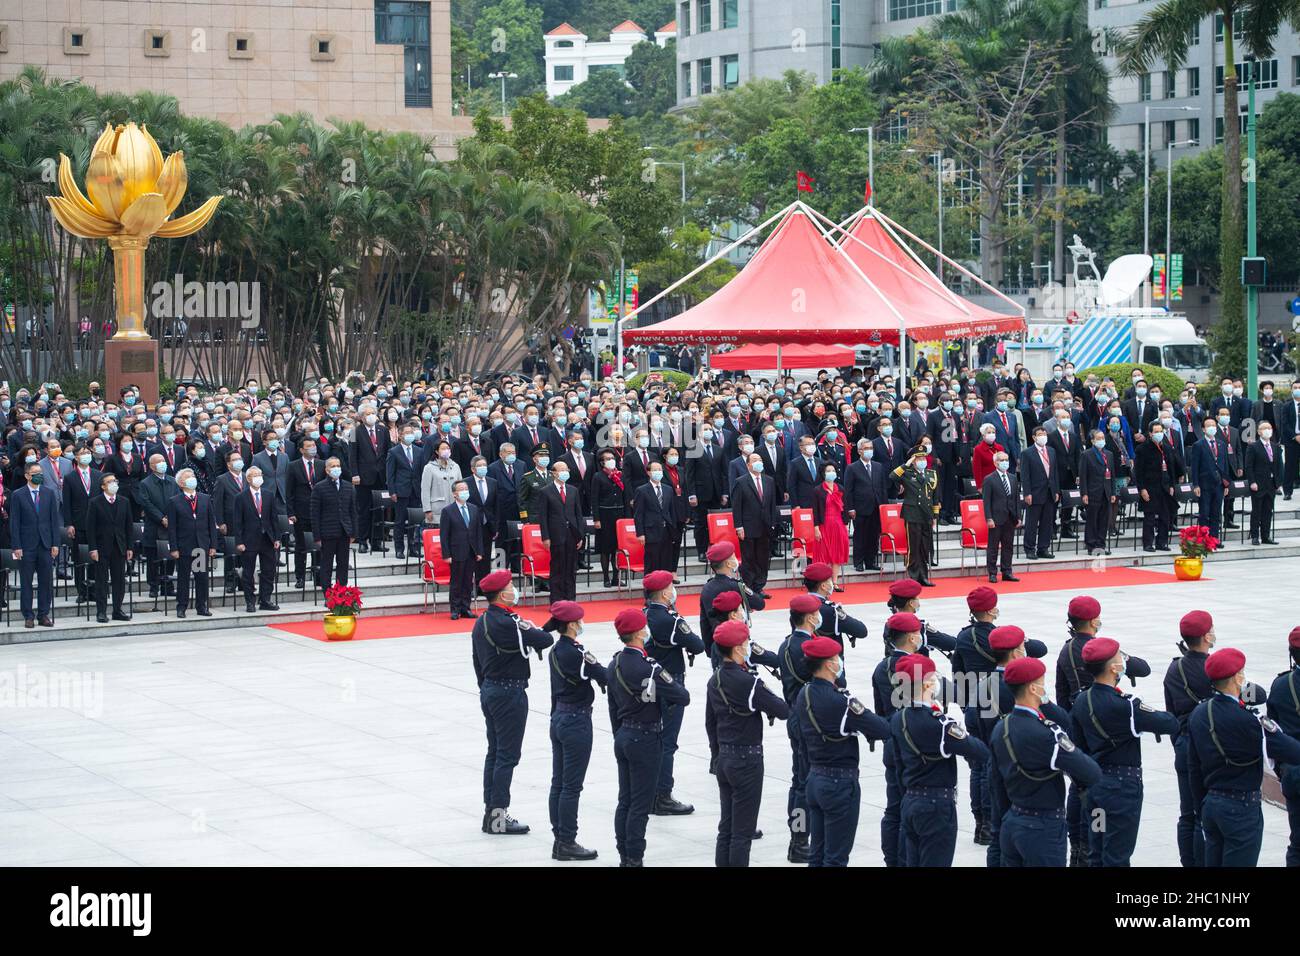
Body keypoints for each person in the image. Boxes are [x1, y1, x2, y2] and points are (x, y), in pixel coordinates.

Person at [1070, 637, 1179, 867]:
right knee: (1117, 855)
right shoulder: (1125, 705)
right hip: (1120, 790)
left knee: (1097, 850)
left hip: (1095, 788)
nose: (1123, 660)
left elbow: (1078, 747)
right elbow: (1169, 723)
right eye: (1120, 657)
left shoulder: (1081, 699)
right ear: (1113, 667)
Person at [1188, 648, 1300, 867]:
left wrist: (1200, 807)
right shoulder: (1250, 721)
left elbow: (1194, 766)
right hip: (1240, 808)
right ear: (1238, 678)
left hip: (1211, 804)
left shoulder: (1200, 713)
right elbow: (1292, 751)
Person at [988, 657, 1102, 867]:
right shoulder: (1047, 733)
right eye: (1041, 683)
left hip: (1013, 820)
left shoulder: (1000, 728)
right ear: (1033, 688)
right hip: (1043, 826)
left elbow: (996, 783)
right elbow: (1090, 772)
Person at [797, 635, 892, 867]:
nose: (839, 661)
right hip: (839, 783)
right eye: (837, 658)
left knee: (817, 853)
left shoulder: (805, 693)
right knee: (836, 857)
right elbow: (882, 729)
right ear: (829, 664)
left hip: (815, 778)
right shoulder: (841, 701)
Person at [471, 570, 554, 836]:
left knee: (494, 753)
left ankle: (490, 814)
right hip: (509, 692)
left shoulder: (481, 622)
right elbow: (544, 640)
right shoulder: (512, 622)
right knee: (507, 756)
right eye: (510, 586)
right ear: (502, 594)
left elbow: (477, 662)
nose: (513, 589)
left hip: (489, 690)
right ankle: (498, 818)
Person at [891, 653, 989, 866]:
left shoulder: (899, 718)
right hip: (936, 805)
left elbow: (898, 765)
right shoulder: (940, 724)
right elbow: (979, 752)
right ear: (927, 685)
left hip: (910, 800)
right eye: (934, 678)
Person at [607, 607, 687, 867]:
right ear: (640, 632)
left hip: (624, 734)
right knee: (640, 805)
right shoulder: (649, 667)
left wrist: (620, 732)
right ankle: (634, 858)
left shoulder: (615, 662)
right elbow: (681, 696)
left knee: (625, 801)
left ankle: (624, 854)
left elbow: (612, 707)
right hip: (646, 737)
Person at [706, 618, 789, 867]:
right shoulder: (749, 682)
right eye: (746, 644)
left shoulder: (716, 679)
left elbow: (710, 722)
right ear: (738, 649)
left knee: (727, 828)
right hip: (747, 759)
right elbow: (782, 710)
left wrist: (716, 754)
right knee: (742, 833)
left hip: (725, 757)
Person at [542, 600, 606, 862]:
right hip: (576, 720)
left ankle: (560, 838)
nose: (582, 624)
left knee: (558, 783)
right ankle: (567, 840)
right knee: (571, 786)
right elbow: (603, 676)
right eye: (579, 621)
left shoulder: (556, 650)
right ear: (571, 625)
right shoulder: (577, 653)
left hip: (559, 716)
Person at [642, 569, 704, 816]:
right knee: (667, 741)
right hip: (670, 681)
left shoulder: (645, 614)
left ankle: (649, 792)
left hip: (649, 680)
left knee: (652, 737)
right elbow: (697, 645)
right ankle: (663, 795)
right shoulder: (671, 619)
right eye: (671, 587)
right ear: (665, 592)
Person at [776, 593, 831, 864]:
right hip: (809, 717)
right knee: (804, 781)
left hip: (795, 714)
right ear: (810, 618)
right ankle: (799, 840)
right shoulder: (810, 648)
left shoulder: (787, 644)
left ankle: (798, 838)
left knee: (799, 779)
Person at [9, 461, 61, 628]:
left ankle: (43, 614)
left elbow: (54, 520)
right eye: (35, 473)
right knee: (26, 582)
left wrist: (55, 543)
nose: (39, 475)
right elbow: (14, 522)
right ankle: (28, 615)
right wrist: (16, 546)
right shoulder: (18, 495)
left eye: (40, 472)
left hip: (45, 544)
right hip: (26, 544)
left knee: (46, 581)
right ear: (27, 476)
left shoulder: (48, 493)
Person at [1266, 626, 1300, 867]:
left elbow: (1272, 733)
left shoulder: (1280, 685)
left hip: (1294, 772)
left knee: (1297, 841)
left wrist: (1282, 770)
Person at [166, 468, 217, 618]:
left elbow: (211, 523)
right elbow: (172, 528)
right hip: (184, 547)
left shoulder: (204, 498)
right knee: (183, 578)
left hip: (201, 546)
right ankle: (181, 606)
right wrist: (174, 547)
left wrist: (213, 545)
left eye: (193, 476)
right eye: (188, 477)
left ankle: (202, 606)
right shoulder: (174, 501)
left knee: (201, 577)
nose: (192, 479)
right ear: (181, 483)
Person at [232, 465, 281, 613]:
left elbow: (274, 518)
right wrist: (239, 541)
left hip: (267, 538)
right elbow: (237, 522)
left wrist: (277, 537)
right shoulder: (240, 497)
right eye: (255, 475)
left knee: (269, 570)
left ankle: (265, 599)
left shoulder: (268, 494)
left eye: (260, 474)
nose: (258, 477)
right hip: (249, 540)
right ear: (248, 479)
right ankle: (250, 601)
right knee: (248, 572)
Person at [86, 471, 133, 623]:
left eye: (115, 481)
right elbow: (90, 528)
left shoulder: (124, 501)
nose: (114, 484)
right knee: (101, 580)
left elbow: (128, 527)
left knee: (119, 580)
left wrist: (130, 547)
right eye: (109, 482)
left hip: (119, 547)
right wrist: (92, 548)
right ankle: (101, 611)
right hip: (101, 547)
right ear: (102, 486)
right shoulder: (95, 502)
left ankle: (117, 610)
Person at [730, 452, 777, 598]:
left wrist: (773, 523)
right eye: (755, 460)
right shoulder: (741, 481)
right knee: (749, 558)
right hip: (748, 526)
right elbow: (736, 506)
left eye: (760, 459)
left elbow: (772, 504)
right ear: (748, 464)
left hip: (765, 526)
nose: (759, 462)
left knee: (763, 558)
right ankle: (748, 587)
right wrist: (739, 526)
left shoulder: (769, 480)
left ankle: (759, 586)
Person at [60, 445, 101, 604]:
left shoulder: (98, 475)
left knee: (94, 557)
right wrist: (69, 524)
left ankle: (93, 589)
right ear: (76, 457)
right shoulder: (70, 477)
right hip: (78, 523)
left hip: (96, 523)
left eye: (87, 452)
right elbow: (67, 503)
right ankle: (81, 591)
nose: (86, 455)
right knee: (79, 559)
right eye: (82, 453)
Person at [537, 458, 582, 602]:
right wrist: (545, 537)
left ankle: (571, 598)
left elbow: (578, 514)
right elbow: (542, 516)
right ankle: (557, 599)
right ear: (554, 473)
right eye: (561, 470)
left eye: (566, 470)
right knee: (557, 568)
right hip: (555, 535)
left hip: (572, 534)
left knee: (571, 568)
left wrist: (580, 536)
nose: (564, 473)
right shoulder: (545, 491)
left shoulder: (573, 490)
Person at [892, 446, 938, 586]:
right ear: (913, 460)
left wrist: (935, 516)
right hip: (912, 514)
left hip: (927, 514)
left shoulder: (931, 474)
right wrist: (906, 464)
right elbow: (892, 476)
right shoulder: (907, 473)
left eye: (924, 458)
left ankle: (923, 576)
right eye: (918, 458)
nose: (922, 461)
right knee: (914, 546)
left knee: (925, 547)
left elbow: (935, 497)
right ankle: (913, 576)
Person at [439, 479, 484, 619]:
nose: (465, 491)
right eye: (461, 489)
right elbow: (444, 535)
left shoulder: (473, 509)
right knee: (456, 582)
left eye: (466, 489)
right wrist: (446, 554)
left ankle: (466, 608)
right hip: (456, 551)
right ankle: (455, 609)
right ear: (454, 494)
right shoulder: (448, 511)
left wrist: (479, 551)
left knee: (467, 581)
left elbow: (478, 532)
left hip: (471, 551)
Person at [349, 404, 390, 553]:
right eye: (367, 414)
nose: (371, 416)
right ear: (361, 417)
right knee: (364, 510)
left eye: (373, 413)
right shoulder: (354, 431)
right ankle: (363, 540)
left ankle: (377, 541)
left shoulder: (383, 430)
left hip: (381, 476)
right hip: (363, 477)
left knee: (379, 509)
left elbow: (388, 452)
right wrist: (355, 474)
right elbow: (352, 455)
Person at [136, 453, 178, 601]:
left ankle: (167, 585)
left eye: (163, 460)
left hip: (170, 526)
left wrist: (171, 518)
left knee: (170, 556)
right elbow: (146, 504)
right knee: (153, 558)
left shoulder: (173, 481)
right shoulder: (145, 483)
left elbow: (177, 501)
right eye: (158, 462)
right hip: (154, 526)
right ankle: (153, 586)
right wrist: (161, 518)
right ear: (152, 466)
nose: (162, 463)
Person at [1135, 420, 1181, 552]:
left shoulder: (1166, 448)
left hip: (1165, 487)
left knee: (1165, 516)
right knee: (1149, 517)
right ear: (1150, 434)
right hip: (1150, 487)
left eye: (1161, 431)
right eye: (1156, 432)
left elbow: (1171, 468)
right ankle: (1148, 543)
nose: (1159, 434)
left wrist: (1172, 485)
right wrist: (1142, 489)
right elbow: (1139, 472)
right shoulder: (1142, 449)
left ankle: (1162, 542)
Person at [310, 457, 355, 591]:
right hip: (327, 533)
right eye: (333, 466)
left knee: (343, 564)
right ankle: (327, 593)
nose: (336, 468)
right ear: (327, 470)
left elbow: (353, 512)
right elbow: (315, 514)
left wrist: (353, 533)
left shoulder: (348, 486)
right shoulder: (319, 488)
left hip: (344, 532)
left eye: (338, 465)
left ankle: (341, 591)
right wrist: (317, 536)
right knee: (327, 565)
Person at [286, 438, 325, 589]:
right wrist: (290, 512)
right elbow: (288, 491)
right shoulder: (293, 466)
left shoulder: (321, 464)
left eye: (313, 445)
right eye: (308, 446)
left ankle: (318, 576)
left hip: (319, 512)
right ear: (302, 450)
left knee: (319, 545)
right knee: (301, 547)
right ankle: (300, 577)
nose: (312, 448)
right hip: (300, 512)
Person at [843, 438, 886, 571]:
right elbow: (848, 490)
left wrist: (883, 507)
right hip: (860, 508)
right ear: (860, 451)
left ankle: (870, 561)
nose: (869, 451)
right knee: (860, 536)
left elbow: (882, 488)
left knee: (874, 536)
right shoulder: (852, 468)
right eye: (866, 449)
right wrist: (850, 508)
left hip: (876, 507)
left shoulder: (878, 466)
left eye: (871, 448)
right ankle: (859, 562)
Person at [1018, 426, 1059, 560]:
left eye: (1044, 434)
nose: (1043, 436)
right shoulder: (1027, 453)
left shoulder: (1052, 451)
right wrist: (1027, 493)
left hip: (1049, 491)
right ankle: (1030, 548)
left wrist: (1056, 490)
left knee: (1047, 522)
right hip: (1034, 492)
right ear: (1034, 437)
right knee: (1032, 522)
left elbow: (1055, 473)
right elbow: (1025, 475)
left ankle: (1043, 548)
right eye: (1040, 434)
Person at [980, 449, 1020, 583]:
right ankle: (992, 572)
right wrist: (989, 518)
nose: (1005, 462)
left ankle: (1007, 571)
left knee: (1008, 546)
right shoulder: (989, 479)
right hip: (996, 518)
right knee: (993, 546)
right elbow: (987, 501)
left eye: (1006, 460)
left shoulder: (1013, 478)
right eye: (1002, 460)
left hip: (1010, 517)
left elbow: (1016, 499)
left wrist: (1018, 516)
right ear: (996, 463)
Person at [1187, 416, 1230, 539]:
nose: (1212, 428)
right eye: (1209, 426)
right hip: (1204, 484)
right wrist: (1195, 484)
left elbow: (1225, 464)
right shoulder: (1198, 445)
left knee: (1216, 513)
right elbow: (1194, 466)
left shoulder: (1221, 444)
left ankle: (1214, 538)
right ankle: (1204, 538)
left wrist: (1226, 484)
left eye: (1213, 426)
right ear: (1204, 429)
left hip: (1219, 484)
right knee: (1205, 513)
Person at [633, 459, 678, 575]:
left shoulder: (668, 489)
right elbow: (638, 514)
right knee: (652, 563)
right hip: (651, 532)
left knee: (666, 563)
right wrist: (640, 533)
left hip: (667, 531)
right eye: (655, 470)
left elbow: (672, 511)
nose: (658, 472)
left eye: (660, 469)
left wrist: (674, 529)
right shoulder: (641, 490)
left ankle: (664, 588)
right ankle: (650, 590)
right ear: (648, 472)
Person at [386, 423, 423, 560]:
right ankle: (399, 549)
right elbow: (390, 474)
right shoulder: (394, 452)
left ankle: (413, 548)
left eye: (411, 432)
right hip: (401, 491)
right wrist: (392, 491)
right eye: (406, 432)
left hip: (415, 490)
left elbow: (420, 471)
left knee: (414, 521)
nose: (409, 434)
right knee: (400, 521)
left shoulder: (419, 451)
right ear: (400, 435)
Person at [1078, 429, 1116, 556]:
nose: (1101, 440)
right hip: (1093, 491)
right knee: (1092, 519)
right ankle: (1091, 544)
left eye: (1102, 438)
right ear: (1093, 441)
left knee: (1104, 520)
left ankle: (1101, 544)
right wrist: (1084, 493)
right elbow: (1083, 476)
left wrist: (1113, 493)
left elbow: (1112, 475)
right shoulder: (1086, 454)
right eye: (1098, 438)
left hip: (1106, 492)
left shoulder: (1109, 454)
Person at [810, 461, 848, 588]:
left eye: (833, 470)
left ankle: (835, 582)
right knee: (823, 554)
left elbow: (845, 508)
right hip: (823, 524)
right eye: (828, 471)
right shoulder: (817, 490)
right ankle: (823, 582)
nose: (831, 473)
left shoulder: (841, 488)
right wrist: (816, 528)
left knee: (836, 555)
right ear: (823, 473)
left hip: (838, 524)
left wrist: (846, 525)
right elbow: (815, 510)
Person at [592, 450, 627, 587]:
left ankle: (616, 577)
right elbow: (594, 499)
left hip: (618, 515)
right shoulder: (598, 477)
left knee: (617, 549)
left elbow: (625, 496)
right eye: (608, 459)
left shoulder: (620, 475)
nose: (611, 460)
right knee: (606, 549)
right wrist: (596, 519)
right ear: (602, 463)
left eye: (612, 458)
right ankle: (606, 577)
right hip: (604, 515)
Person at [1246, 420, 1282, 545]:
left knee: (1268, 510)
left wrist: (1278, 482)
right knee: (1257, 511)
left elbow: (1279, 466)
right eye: (1264, 428)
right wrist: (1252, 482)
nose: (1268, 430)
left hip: (1271, 484)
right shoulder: (1253, 447)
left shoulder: (1275, 447)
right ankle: (1255, 536)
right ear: (1259, 432)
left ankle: (1265, 536)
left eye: (1269, 428)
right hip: (1258, 484)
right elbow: (1249, 466)